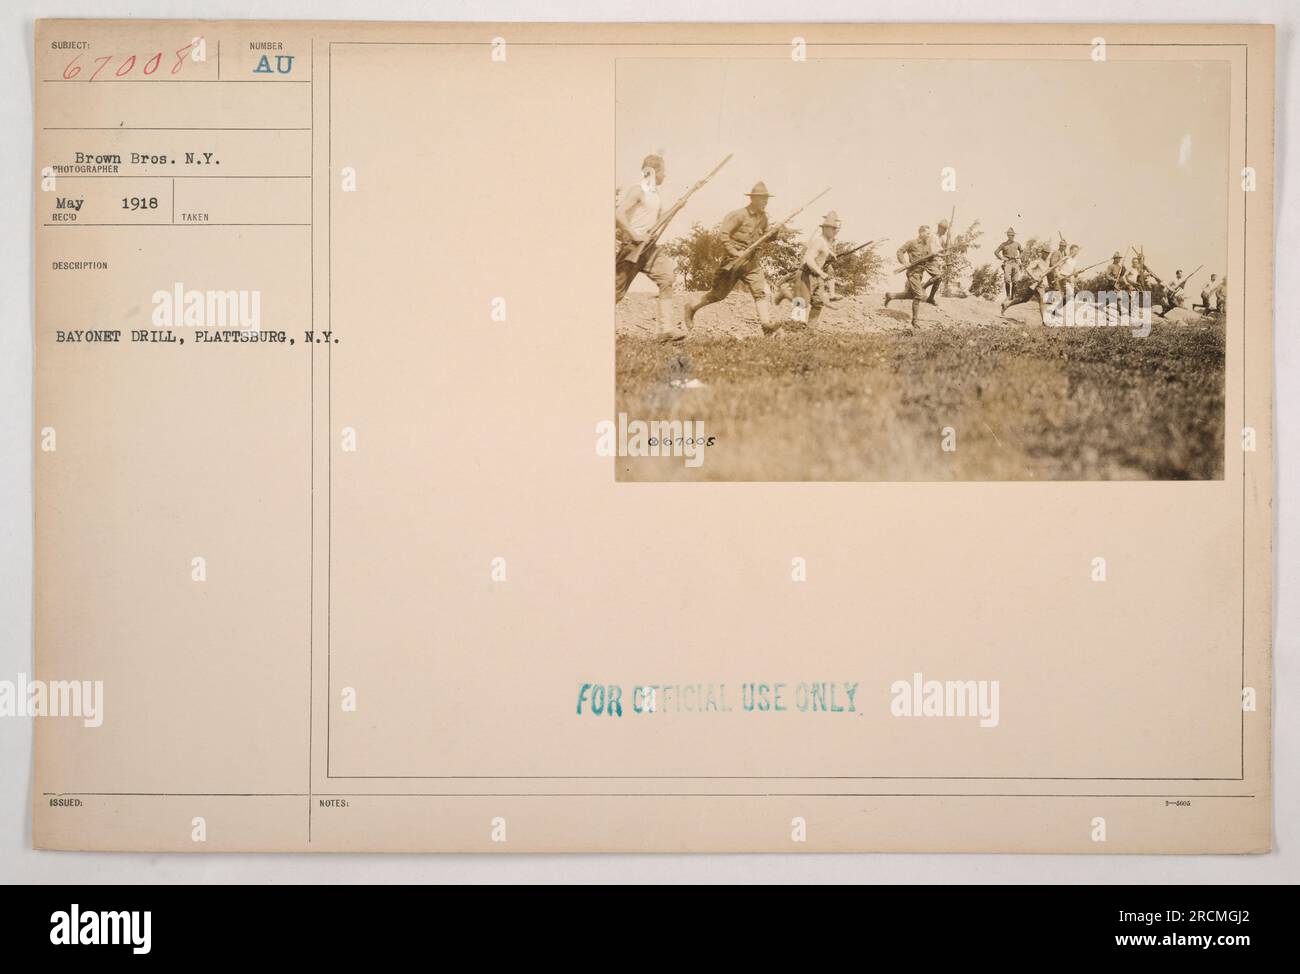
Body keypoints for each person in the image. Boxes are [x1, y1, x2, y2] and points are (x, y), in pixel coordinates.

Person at [683, 182, 776, 335]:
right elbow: (723, 235)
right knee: (718, 294)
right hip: (733, 261)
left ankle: (766, 327)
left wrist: (775, 232)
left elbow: (766, 236)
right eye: (762, 199)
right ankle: (692, 308)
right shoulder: (738, 215)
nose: (765, 202)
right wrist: (734, 252)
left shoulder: (763, 218)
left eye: (767, 199)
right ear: (753, 199)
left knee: (760, 292)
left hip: (751, 263)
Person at [614, 154, 684, 341]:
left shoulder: (655, 196)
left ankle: (666, 330)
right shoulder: (638, 191)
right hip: (631, 248)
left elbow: (659, 220)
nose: (665, 175)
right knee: (615, 292)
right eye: (663, 171)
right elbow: (618, 213)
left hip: (650, 248)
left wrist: (677, 207)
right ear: (654, 171)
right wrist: (635, 235)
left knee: (667, 277)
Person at [884, 224, 942, 328]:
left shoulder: (927, 245)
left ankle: (891, 296)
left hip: (920, 274)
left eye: (930, 233)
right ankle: (914, 321)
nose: (929, 235)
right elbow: (900, 251)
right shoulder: (912, 242)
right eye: (927, 233)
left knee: (912, 295)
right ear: (921, 233)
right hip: (912, 273)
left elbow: (929, 260)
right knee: (919, 295)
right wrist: (905, 262)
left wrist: (936, 255)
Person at [993, 227, 1023, 299]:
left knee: (1015, 281)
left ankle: (1013, 296)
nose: (1011, 236)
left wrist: (1019, 257)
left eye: (1013, 235)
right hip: (1007, 263)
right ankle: (1008, 296)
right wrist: (1002, 258)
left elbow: (1022, 251)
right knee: (1007, 280)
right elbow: (996, 252)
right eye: (1010, 235)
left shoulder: (1017, 244)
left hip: (1015, 263)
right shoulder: (1003, 244)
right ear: (1007, 235)